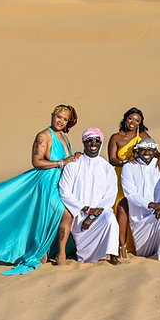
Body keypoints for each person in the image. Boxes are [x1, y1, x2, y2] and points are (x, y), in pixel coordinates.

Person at [107, 107, 160, 255]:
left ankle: (135, 244)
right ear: (125, 118)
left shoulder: (143, 135)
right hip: (121, 175)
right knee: (121, 206)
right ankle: (121, 245)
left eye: (137, 120)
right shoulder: (116, 137)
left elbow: (154, 149)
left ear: (140, 123)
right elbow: (112, 159)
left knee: (137, 204)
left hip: (138, 176)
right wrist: (126, 161)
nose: (133, 122)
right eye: (130, 119)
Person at [58, 127, 121, 265]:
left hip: (99, 214)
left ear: (101, 143)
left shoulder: (107, 168)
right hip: (79, 214)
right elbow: (64, 192)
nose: (93, 143)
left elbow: (110, 196)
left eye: (97, 141)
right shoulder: (73, 165)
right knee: (83, 258)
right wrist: (85, 209)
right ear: (84, 142)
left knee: (110, 218)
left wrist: (92, 215)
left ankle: (113, 254)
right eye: (90, 140)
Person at [33, 104, 83, 267]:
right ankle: (51, 252)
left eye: (65, 119)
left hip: (62, 182)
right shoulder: (43, 136)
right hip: (47, 182)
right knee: (66, 213)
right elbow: (36, 161)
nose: (61, 121)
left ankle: (53, 252)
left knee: (65, 214)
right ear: (52, 116)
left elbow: (66, 159)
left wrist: (74, 156)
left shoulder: (64, 137)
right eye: (59, 116)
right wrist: (62, 162)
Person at [120, 137, 160, 260]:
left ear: (155, 152)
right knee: (143, 253)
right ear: (138, 151)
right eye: (143, 149)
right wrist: (153, 205)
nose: (147, 152)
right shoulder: (129, 167)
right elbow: (130, 194)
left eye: (150, 149)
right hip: (139, 218)